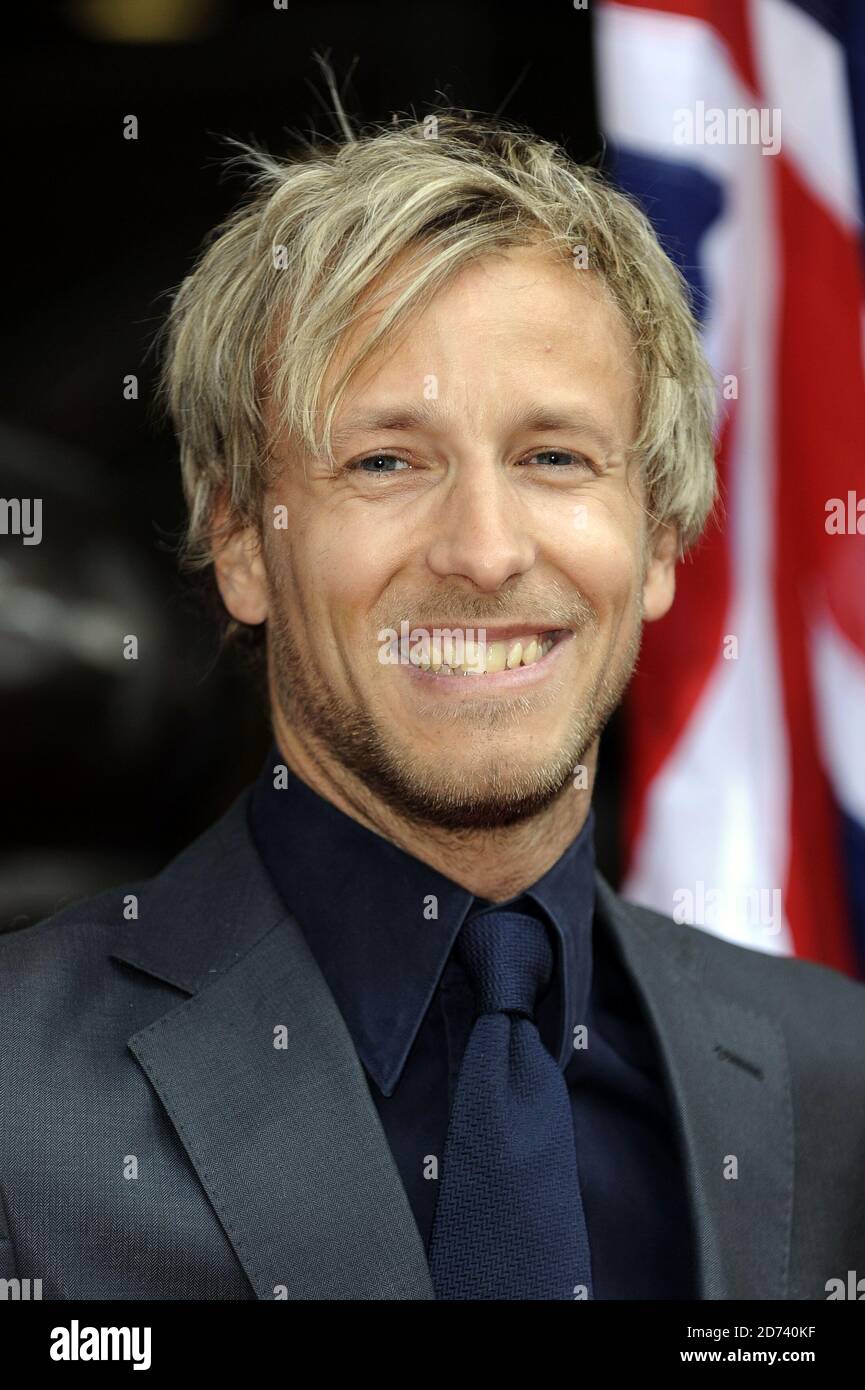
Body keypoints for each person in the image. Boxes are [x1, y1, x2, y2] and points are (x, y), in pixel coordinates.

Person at [2, 112, 863, 1302]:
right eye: (385, 462)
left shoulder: (837, 1082)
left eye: (555, 457)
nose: (484, 549)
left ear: (659, 540)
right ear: (243, 541)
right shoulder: (17, 1099)